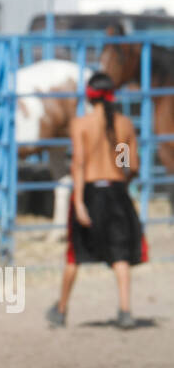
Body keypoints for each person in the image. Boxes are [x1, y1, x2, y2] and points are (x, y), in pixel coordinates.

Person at [48, 72, 145, 330]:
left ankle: (61, 309)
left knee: (75, 255)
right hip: (116, 192)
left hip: (90, 192)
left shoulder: (81, 124)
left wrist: (79, 202)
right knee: (120, 255)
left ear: (90, 97)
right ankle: (125, 310)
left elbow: (78, 164)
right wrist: (124, 180)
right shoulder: (123, 125)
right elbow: (128, 165)